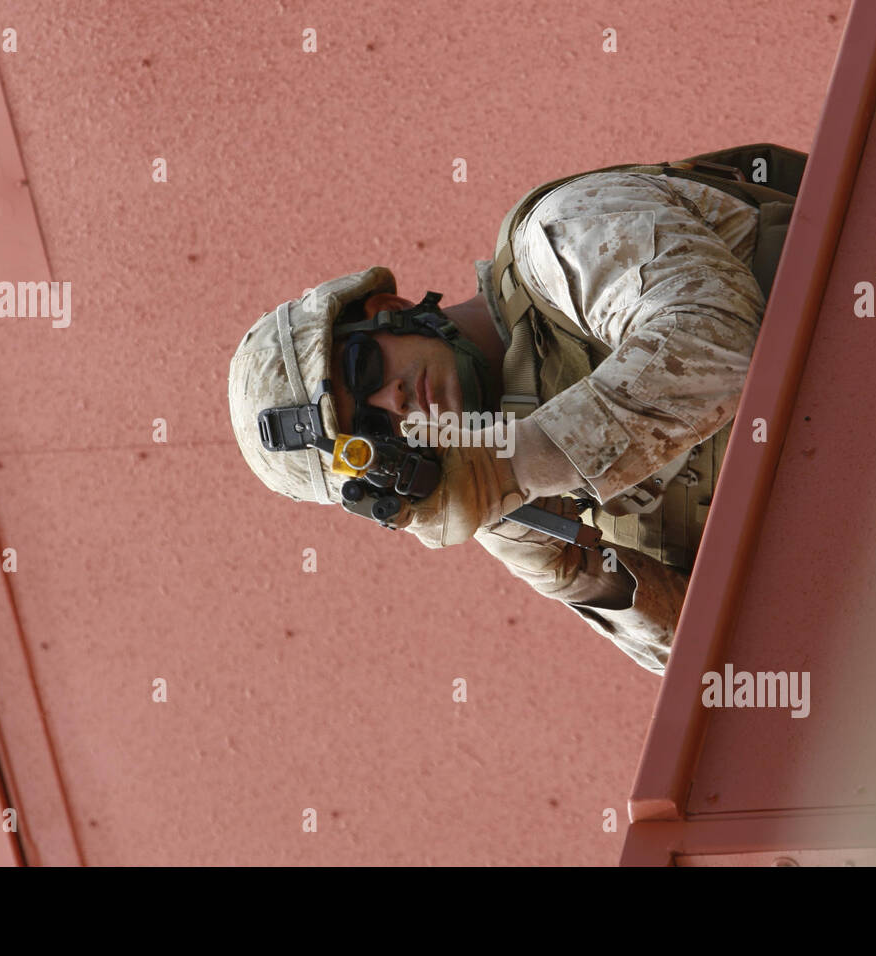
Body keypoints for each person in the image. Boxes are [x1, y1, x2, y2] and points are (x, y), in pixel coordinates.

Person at [229, 145, 805, 674]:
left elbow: (722, 343)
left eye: (362, 369)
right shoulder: (511, 502)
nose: (393, 401)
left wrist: (515, 467)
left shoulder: (557, 237)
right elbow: (734, 670)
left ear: (388, 310)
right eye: (374, 431)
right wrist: (579, 572)